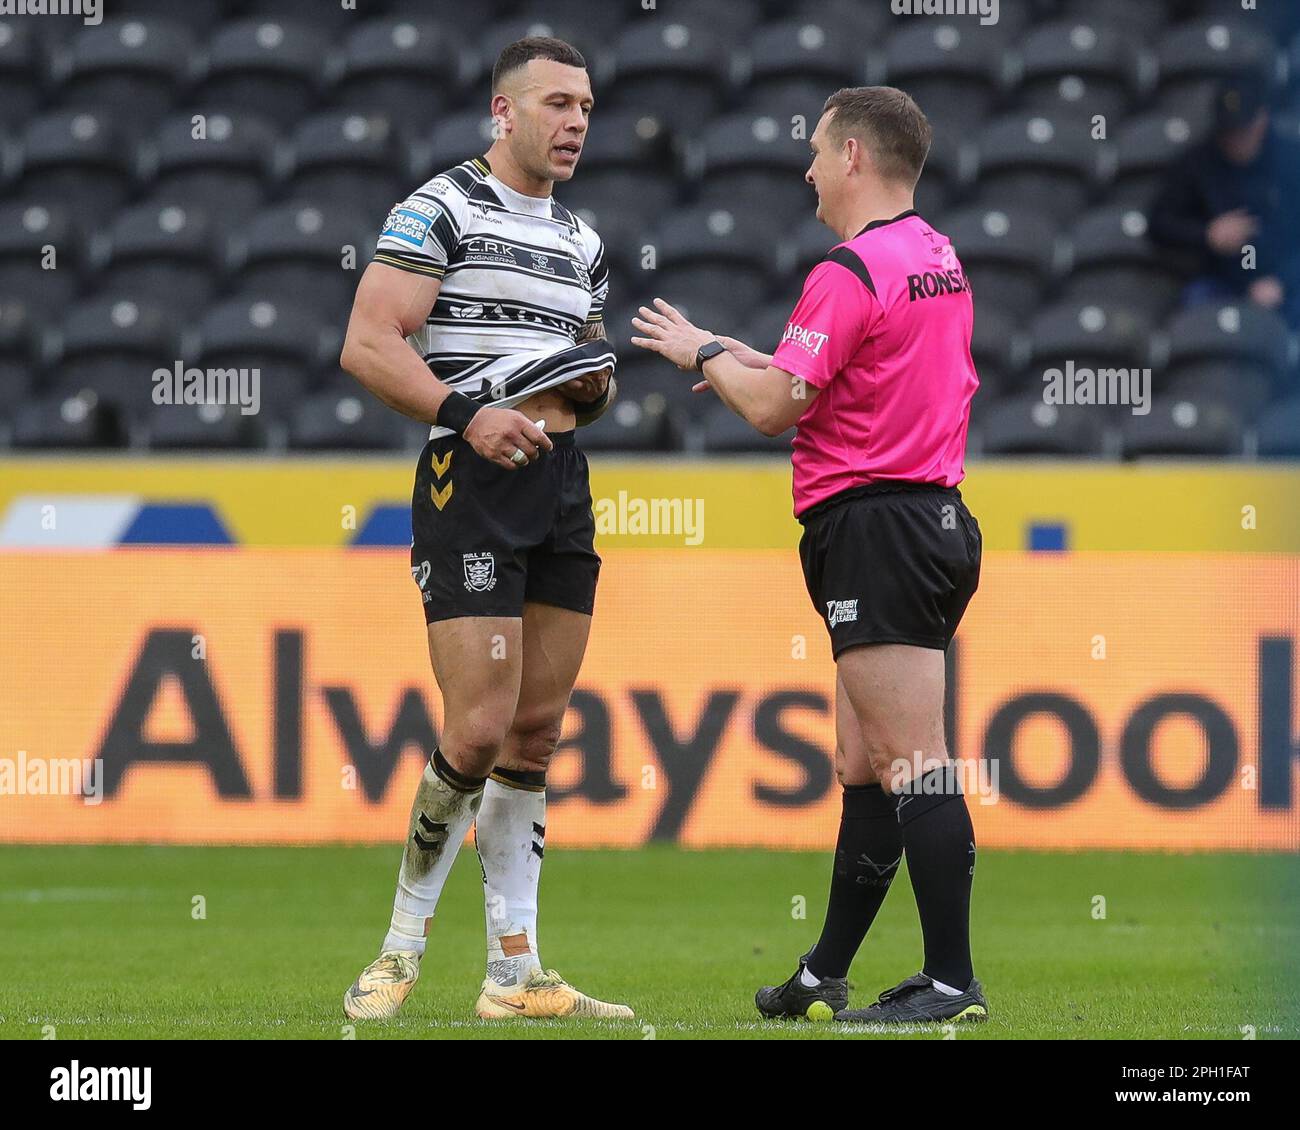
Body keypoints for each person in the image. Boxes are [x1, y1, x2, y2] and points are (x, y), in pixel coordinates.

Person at [630, 86, 986, 1024]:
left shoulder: (849, 268)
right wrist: (725, 348)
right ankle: (824, 973)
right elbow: (832, 375)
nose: (808, 169)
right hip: (923, 520)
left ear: (857, 157)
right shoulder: (936, 257)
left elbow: (772, 407)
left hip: (878, 529)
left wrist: (703, 358)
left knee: (916, 762)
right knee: (863, 760)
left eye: (820, 152)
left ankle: (951, 982)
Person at [338, 36, 631, 1022]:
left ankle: (516, 969)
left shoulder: (583, 242)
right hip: (473, 481)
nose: (577, 120)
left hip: (560, 480)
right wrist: (466, 413)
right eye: (556, 102)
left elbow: (585, 370)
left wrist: (590, 389)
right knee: (476, 724)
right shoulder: (441, 206)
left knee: (536, 734)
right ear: (502, 114)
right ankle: (396, 949)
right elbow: (369, 341)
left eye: (585, 105)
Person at [1149, 72, 1300, 329]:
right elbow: (1159, 224)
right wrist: (1207, 234)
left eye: (1241, 131)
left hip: (1286, 280)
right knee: (1194, 309)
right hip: (1221, 282)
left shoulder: (1291, 160)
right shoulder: (1197, 162)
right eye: (1227, 132)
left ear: (1260, 121)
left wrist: (1283, 281)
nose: (1233, 141)